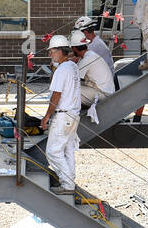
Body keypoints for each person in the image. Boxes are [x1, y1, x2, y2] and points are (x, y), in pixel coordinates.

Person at [40, 35, 80, 194]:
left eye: (52, 51)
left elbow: (56, 96)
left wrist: (46, 116)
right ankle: (70, 182)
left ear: (60, 51)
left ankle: (67, 184)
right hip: (73, 115)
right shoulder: (72, 67)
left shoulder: (62, 70)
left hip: (63, 116)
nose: (50, 54)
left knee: (53, 151)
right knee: (68, 150)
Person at [69, 29, 114, 113]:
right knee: (71, 88)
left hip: (103, 94)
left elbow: (73, 79)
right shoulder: (89, 55)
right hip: (102, 91)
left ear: (74, 48)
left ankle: (70, 115)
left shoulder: (87, 59)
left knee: (67, 91)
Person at [74, 15, 118, 89]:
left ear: (84, 32)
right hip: (102, 81)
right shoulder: (93, 42)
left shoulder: (96, 45)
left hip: (103, 85)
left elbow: (77, 58)